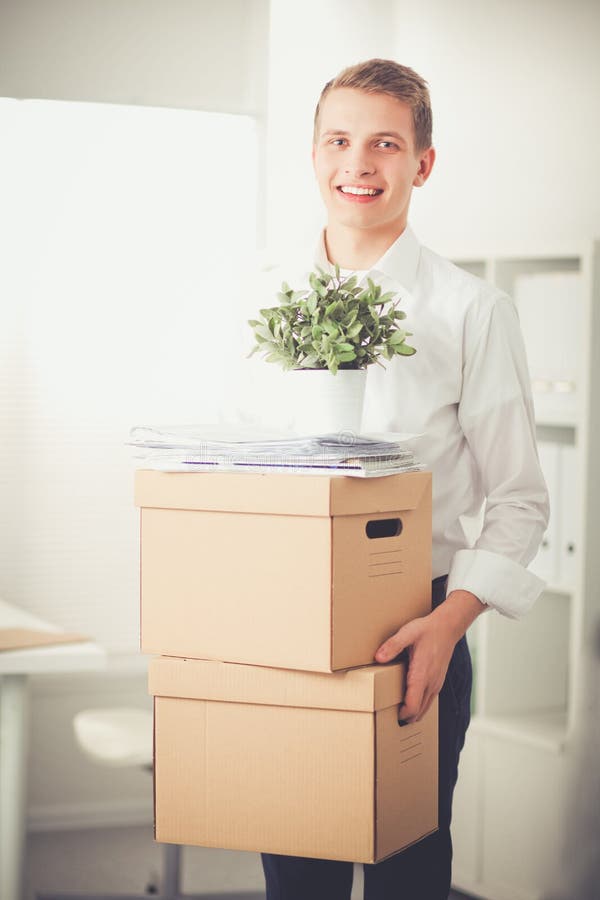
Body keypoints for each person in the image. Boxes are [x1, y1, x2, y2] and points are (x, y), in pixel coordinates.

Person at [257, 58, 550, 900]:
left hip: (414, 631)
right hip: (284, 621)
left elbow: (521, 498)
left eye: (385, 144)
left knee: (407, 872)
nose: (359, 164)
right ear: (313, 155)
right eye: (339, 141)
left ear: (423, 162)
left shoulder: (469, 310)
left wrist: (447, 625)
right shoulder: (262, 294)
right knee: (295, 868)